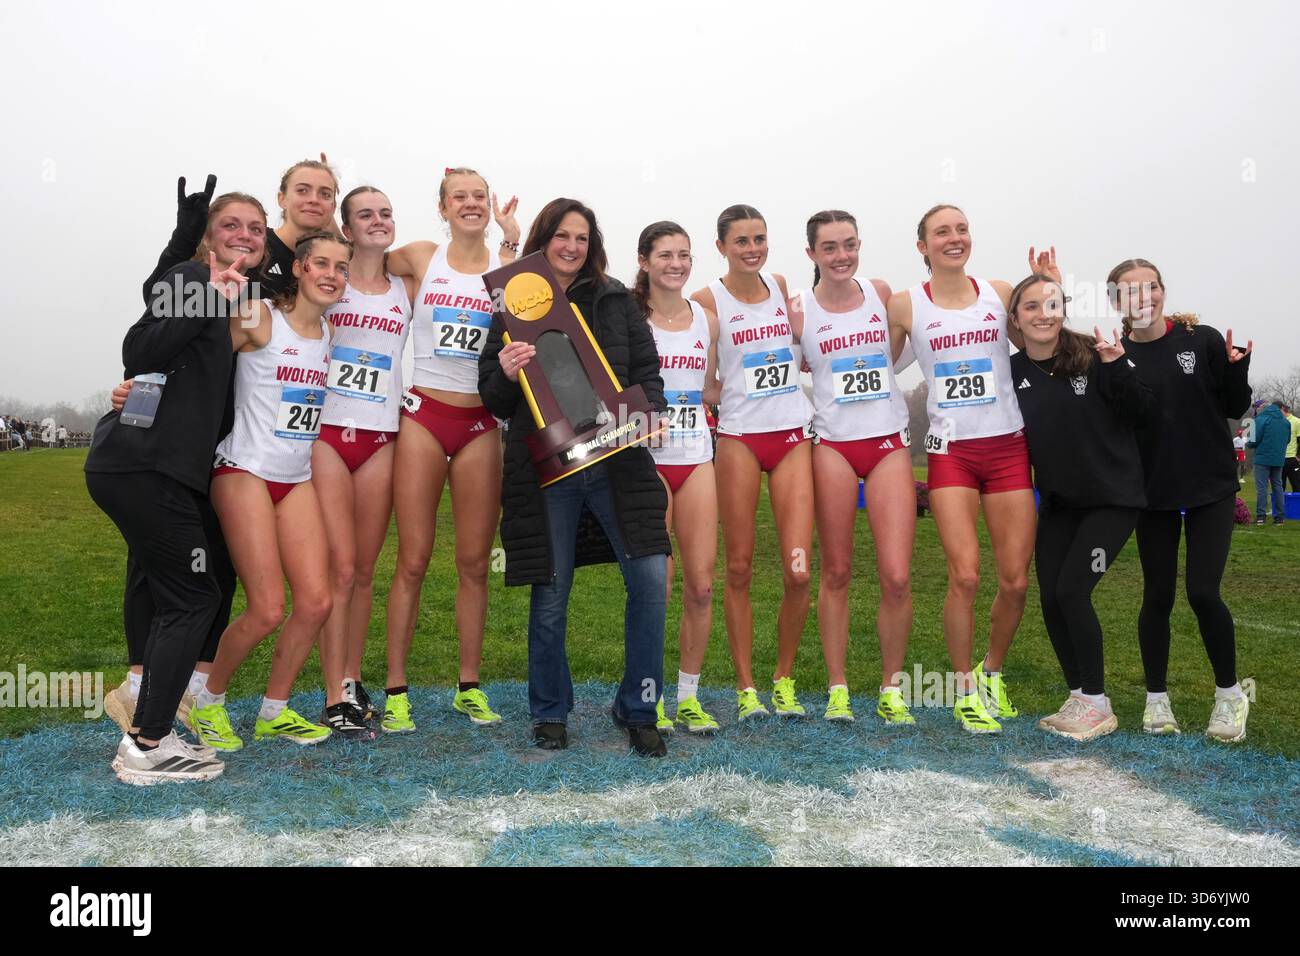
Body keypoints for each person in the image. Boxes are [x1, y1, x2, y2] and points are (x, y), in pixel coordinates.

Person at [82, 193, 273, 783]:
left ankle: (149, 733)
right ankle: (148, 744)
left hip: (151, 466)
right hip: (143, 465)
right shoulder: (195, 279)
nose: (245, 235)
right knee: (193, 597)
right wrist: (204, 291)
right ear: (207, 238)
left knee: (186, 594)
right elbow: (137, 350)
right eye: (230, 225)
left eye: (256, 229)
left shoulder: (237, 297)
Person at [480, 197, 670, 756]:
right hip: (548, 471)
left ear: (593, 245)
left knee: (651, 583)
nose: (571, 247)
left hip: (619, 462)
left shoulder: (616, 300)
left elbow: (647, 372)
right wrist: (510, 373)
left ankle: (638, 707)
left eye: (581, 238)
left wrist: (649, 415)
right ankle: (549, 710)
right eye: (561, 236)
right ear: (543, 239)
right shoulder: (510, 306)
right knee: (551, 593)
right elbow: (490, 395)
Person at [189, 232, 363, 749]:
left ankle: (274, 710)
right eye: (322, 265)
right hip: (243, 471)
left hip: (295, 478)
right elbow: (193, 358)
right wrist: (138, 387)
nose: (332, 275)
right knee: (266, 608)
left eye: (341, 268)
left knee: (316, 601)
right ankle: (207, 702)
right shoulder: (260, 317)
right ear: (300, 269)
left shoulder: (330, 334)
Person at [885, 205, 1043, 734]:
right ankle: (963, 688)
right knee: (966, 574)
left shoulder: (999, 292)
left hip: (1007, 448)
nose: (954, 238)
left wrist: (1049, 297)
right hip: (951, 453)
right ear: (923, 246)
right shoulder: (906, 305)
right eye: (941, 232)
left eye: (961, 229)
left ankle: (991, 671)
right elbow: (879, 365)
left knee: (1016, 581)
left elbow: (1038, 347)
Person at [379, 167, 520, 732]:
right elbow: (356, 257)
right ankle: (395, 689)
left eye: (478, 196)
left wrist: (512, 241)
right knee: (412, 560)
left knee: (473, 564)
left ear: (490, 205)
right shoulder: (419, 257)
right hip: (424, 416)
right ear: (442, 207)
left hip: (480, 423)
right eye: (458, 196)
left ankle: (468, 685)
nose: (470, 204)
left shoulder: (508, 268)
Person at [1008, 273, 1154, 740]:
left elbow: (1144, 412)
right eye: (1030, 307)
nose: (1042, 315)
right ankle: (1079, 697)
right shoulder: (1013, 371)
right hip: (1059, 505)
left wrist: (1119, 367)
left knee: (1073, 590)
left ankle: (1097, 702)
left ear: (1063, 310)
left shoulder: (1093, 355)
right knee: (1050, 597)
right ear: (1016, 319)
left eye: (1051, 305)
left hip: (1111, 501)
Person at [1113, 257, 1254, 741]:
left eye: (1150, 287)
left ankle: (1229, 696)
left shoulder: (1203, 340)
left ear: (1162, 292)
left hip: (1210, 487)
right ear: (1117, 302)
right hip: (1151, 494)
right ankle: (1157, 701)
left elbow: (1234, 407)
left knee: (1202, 592)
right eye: (1131, 291)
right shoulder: (1115, 355)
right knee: (1157, 595)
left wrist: (1238, 371)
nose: (1143, 297)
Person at [691, 205, 814, 721]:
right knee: (737, 567)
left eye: (759, 238)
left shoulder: (780, 284)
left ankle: (782, 679)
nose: (752, 248)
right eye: (740, 241)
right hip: (740, 436)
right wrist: (724, 393)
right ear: (721, 246)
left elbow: (795, 351)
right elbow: (699, 372)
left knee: (799, 569)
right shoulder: (706, 300)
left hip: (792, 434)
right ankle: (746, 688)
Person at [794, 210, 916, 724]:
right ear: (812, 255)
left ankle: (892, 688)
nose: (841, 256)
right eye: (829, 248)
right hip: (834, 446)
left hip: (887, 442)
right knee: (837, 570)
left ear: (859, 245)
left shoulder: (881, 292)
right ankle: (838, 686)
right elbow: (789, 366)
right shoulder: (799, 311)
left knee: (896, 576)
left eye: (849, 245)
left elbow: (897, 353)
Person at [311, 186, 414, 726]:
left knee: (366, 570)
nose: (379, 220)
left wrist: (509, 241)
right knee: (341, 568)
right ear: (345, 226)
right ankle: (333, 694)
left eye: (386, 212)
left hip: (382, 434)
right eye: (365, 214)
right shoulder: (328, 277)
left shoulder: (407, 285)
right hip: (329, 431)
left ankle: (351, 679)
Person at [635, 221, 721, 734]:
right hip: (647, 460)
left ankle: (688, 694)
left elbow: (710, 387)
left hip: (697, 457)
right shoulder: (629, 316)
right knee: (657, 586)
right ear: (644, 260)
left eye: (684, 254)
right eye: (665, 254)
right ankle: (650, 695)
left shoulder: (706, 320)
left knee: (703, 584)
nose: (676, 263)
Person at [1248, 400, 1289, 525]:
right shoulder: (1285, 422)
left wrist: (1250, 444)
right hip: (1278, 458)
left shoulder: (1260, 419)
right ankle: (1280, 518)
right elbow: (1287, 440)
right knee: (1278, 487)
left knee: (1262, 488)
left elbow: (1253, 441)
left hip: (1262, 458)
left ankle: (1261, 517)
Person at [1280, 401, 1300, 492]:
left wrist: (1298, 456)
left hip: (1293, 459)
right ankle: (1280, 506)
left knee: (1296, 485)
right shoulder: (1278, 421)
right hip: (1279, 459)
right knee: (1280, 486)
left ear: (1283, 410)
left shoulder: (1297, 421)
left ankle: (1296, 506)